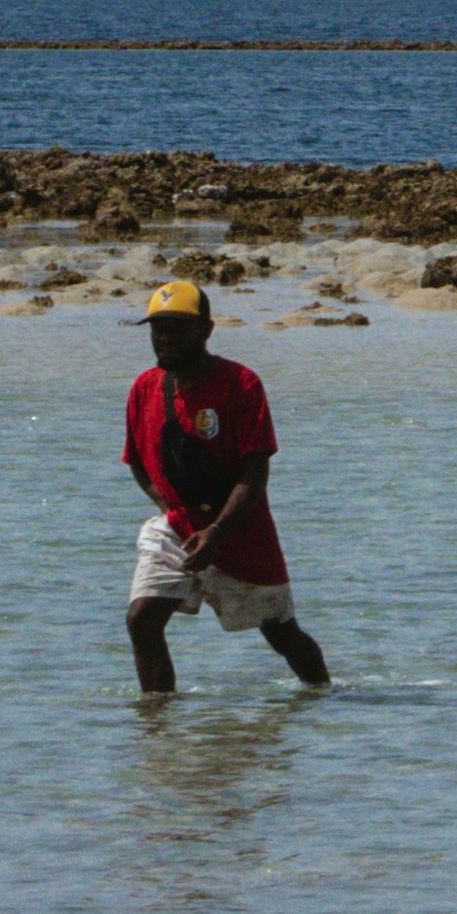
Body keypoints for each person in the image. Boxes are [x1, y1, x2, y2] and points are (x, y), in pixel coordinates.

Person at [122, 283, 330, 693]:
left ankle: (325, 696)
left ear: (207, 330)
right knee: (142, 619)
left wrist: (216, 531)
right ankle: (158, 729)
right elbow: (140, 465)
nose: (165, 338)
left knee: (280, 633)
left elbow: (255, 473)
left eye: (178, 329)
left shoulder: (242, 384)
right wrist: (173, 512)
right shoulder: (144, 389)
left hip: (240, 531)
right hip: (178, 528)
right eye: (158, 328)